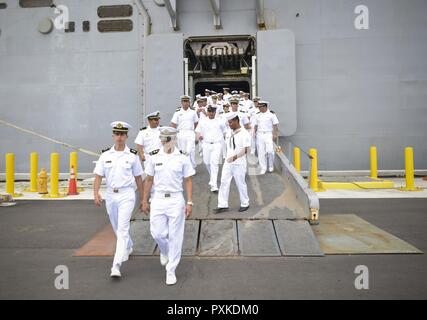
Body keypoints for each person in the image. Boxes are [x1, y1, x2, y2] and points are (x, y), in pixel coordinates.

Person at [142, 126, 195, 286]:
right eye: (163, 139)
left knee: (175, 236)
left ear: (173, 139)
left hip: (176, 199)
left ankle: (171, 270)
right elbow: (149, 179)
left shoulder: (183, 158)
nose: (164, 142)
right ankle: (164, 251)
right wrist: (144, 200)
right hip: (157, 199)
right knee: (157, 233)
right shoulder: (153, 157)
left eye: (167, 139)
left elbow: (188, 181)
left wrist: (190, 202)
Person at [93, 121, 144, 278]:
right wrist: (96, 193)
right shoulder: (105, 155)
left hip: (127, 195)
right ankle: (128, 246)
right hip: (110, 195)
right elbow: (98, 176)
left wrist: (143, 199)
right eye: (117, 134)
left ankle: (116, 265)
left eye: (122, 134)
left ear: (127, 136)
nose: (119, 137)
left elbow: (138, 179)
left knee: (122, 229)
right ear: (113, 136)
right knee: (116, 227)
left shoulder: (133, 156)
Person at [215, 112, 251, 213]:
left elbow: (247, 149)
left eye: (231, 123)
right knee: (224, 182)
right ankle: (222, 205)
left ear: (236, 121)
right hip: (228, 161)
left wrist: (235, 157)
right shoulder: (230, 132)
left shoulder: (245, 134)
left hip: (239, 163)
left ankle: (245, 203)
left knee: (240, 183)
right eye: (228, 123)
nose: (229, 125)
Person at [195, 105, 227, 192]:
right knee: (207, 162)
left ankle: (214, 185)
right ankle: (213, 178)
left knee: (214, 164)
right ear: (207, 112)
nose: (211, 113)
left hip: (217, 145)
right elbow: (197, 131)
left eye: (212, 112)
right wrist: (199, 137)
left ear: (215, 112)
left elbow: (225, 132)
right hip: (206, 144)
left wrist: (226, 142)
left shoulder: (220, 121)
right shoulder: (202, 121)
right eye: (209, 111)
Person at [171, 95, 199, 169]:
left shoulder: (193, 112)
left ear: (189, 102)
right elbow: (173, 124)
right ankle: (184, 167)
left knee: (190, 151)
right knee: (182, 151)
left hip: (190, 133)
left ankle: (192, 166)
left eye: (187, 101)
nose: (185, 103)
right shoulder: (177, 113)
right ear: (181, 102)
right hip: (180, 133)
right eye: (184, 101)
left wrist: (196, 135)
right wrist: (173, 136)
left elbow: (196, 123)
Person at [254, 101, 279, 174]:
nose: (259, 108)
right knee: (261, 152)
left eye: (260, 107)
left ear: (264, 107)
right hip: (259, 134)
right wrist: (254, 133)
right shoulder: (257, 115)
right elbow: (256, 125)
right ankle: (263, 168)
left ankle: (271, 165)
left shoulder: (271, 115)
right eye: (258, 107)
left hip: (268, 134)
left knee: (270, 151)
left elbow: (275, 125)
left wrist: (275, 134)